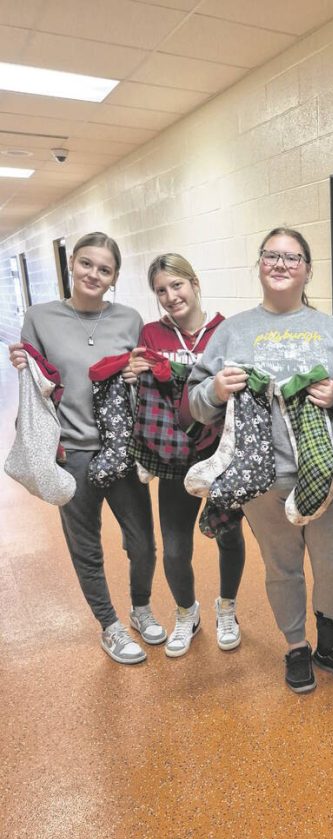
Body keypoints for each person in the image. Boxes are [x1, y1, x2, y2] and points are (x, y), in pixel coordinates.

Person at [187, 227, 333, 693]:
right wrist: (214, 390)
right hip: (262, 479)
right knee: (282, 567)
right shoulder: (232, 331)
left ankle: (332, 645)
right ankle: (296, 647)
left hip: (325, 478)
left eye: (293, 257)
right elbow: (194, 404)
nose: (281, 264)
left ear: (308, 268)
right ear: (260, 264)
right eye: (272, 255)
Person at [8, 232, 160, 665]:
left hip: (120, 450)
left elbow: (142, 377)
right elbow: (36, 381)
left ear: (115, 277)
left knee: (142, 542)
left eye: (105, 269)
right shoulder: (40, 317)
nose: (94, 274)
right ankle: (109, 625)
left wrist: (138, 376)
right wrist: (21, 363)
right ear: (72, 264)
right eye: (87, 264)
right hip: (69, 451)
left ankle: (141, 607)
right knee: (85, 544)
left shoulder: (130, 319)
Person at [126, 254, 246, 658]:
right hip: (175, 457)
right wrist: (132, 371)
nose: (170, 296)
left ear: (194, 283)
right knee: (176, 547)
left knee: (229, 535)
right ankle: (186, 613)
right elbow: (139, 387)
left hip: (222, 453)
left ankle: (226, 609)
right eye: (161, 290)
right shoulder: (152, 333)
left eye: (176, 285)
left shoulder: (226, 329)